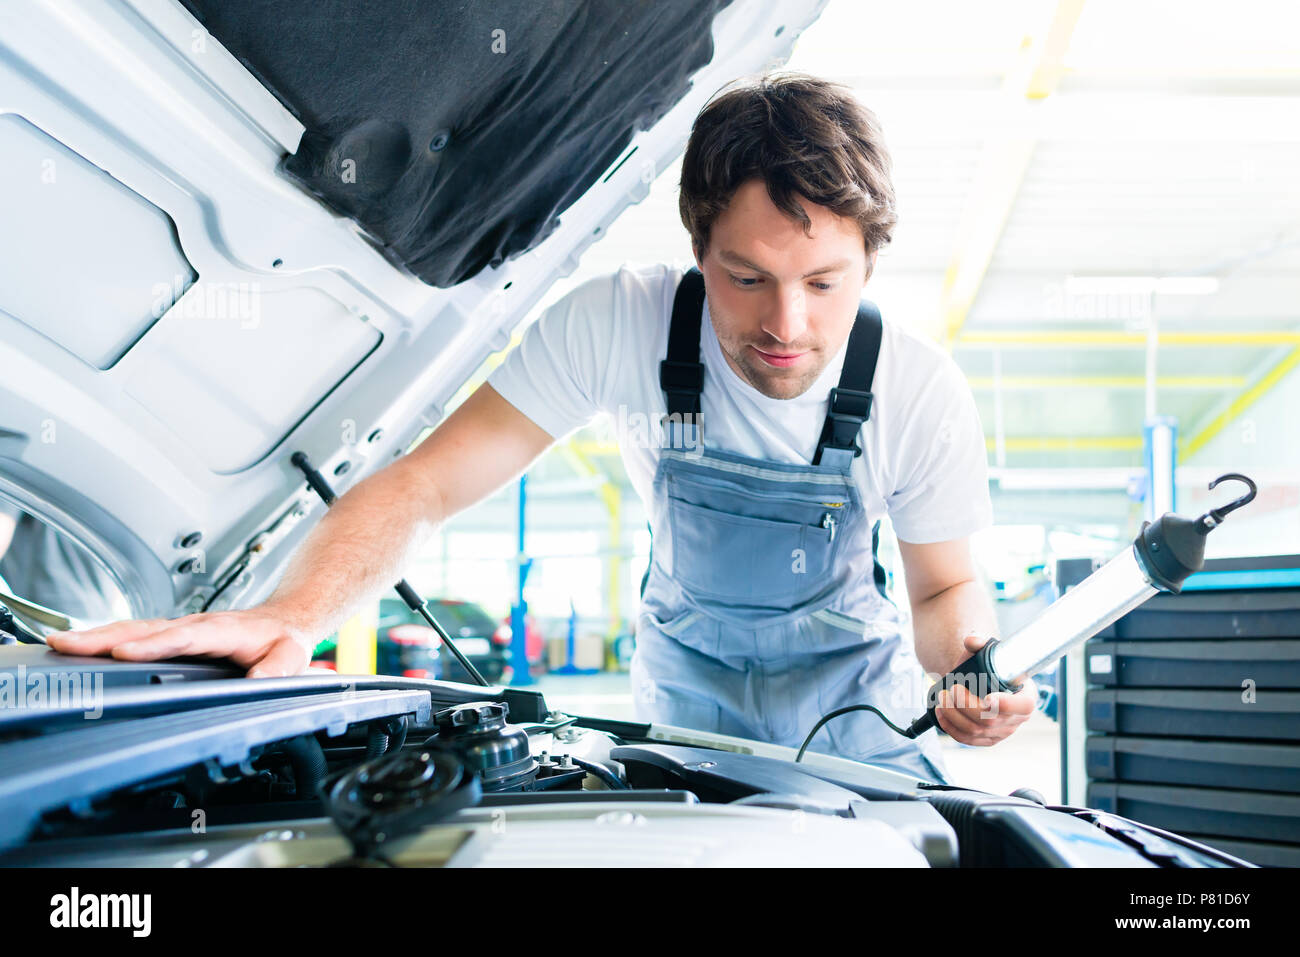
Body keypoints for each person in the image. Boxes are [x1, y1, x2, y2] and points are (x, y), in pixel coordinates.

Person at [47, 73, 1035, 779]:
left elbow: (943, 586)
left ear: (870, 262)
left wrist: (969, 670)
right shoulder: (619, 325)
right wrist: (292, 615)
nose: (786, 325)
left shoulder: (915, 387)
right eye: (746, 279)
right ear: (697, 252)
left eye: (824, 284)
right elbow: (425, 483)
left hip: (861, 733)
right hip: (688, 732)